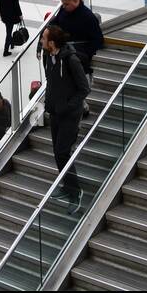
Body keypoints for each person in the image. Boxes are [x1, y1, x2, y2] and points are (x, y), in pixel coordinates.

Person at [42, 26, 90, 216]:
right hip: (55, 113)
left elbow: (84, 89)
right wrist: (49, 104)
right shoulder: (49, 57)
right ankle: (67, 186)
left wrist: (68, 106)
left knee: (63, 152)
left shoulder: (71, 60)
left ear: (52, 43)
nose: (41, 42)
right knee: (57, 152)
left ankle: (76, 192)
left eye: (44, 39)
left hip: (69, 115)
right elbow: (51, 82)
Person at [50, 0, 104, 80]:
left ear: (75, 0)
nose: (63, 6)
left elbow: (98, 40)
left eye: (66, 4)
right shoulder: (64, 10)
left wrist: (83, 54)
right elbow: (56, 22)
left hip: (77, 60)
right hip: (62, 55)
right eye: (63, 4)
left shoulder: (88, 17)